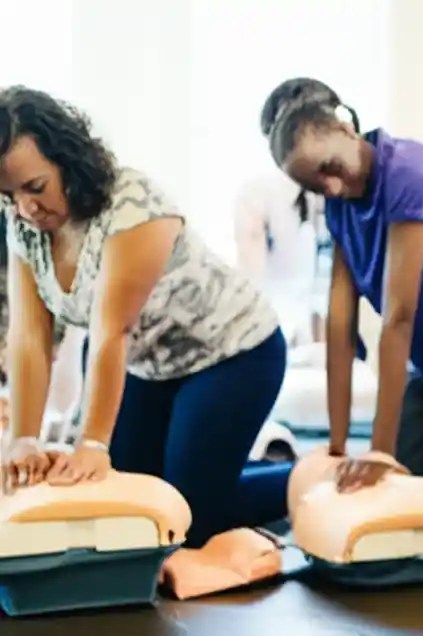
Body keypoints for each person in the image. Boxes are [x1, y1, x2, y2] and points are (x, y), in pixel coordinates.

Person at [0, 87, 286, 547]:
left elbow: (112, 329)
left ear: (68, 160)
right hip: (148, 366)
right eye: (8, 195)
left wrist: (92, 444)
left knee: (187, 520)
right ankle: (225, 464)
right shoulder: (23, 223)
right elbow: (30, 336)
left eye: (35, 188)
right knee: (127, 509)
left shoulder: (132, 202)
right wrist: (23, 440)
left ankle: (299, 478)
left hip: (232, 353)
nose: (25, 208)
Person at [262, 78, 423, 487]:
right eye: (315, 185)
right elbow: (339, 327)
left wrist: (380, 452)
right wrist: (338, 446)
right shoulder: (339, 206)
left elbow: (398, 316)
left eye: (329, 168)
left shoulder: (408, 175)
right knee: (395, 491)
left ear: (346, 131)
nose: (330, 186)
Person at [233, 170, 328, 346]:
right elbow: (252, 275)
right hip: (278, 329)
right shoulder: (258, 194)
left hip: (308, 334)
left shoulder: (329, 193)